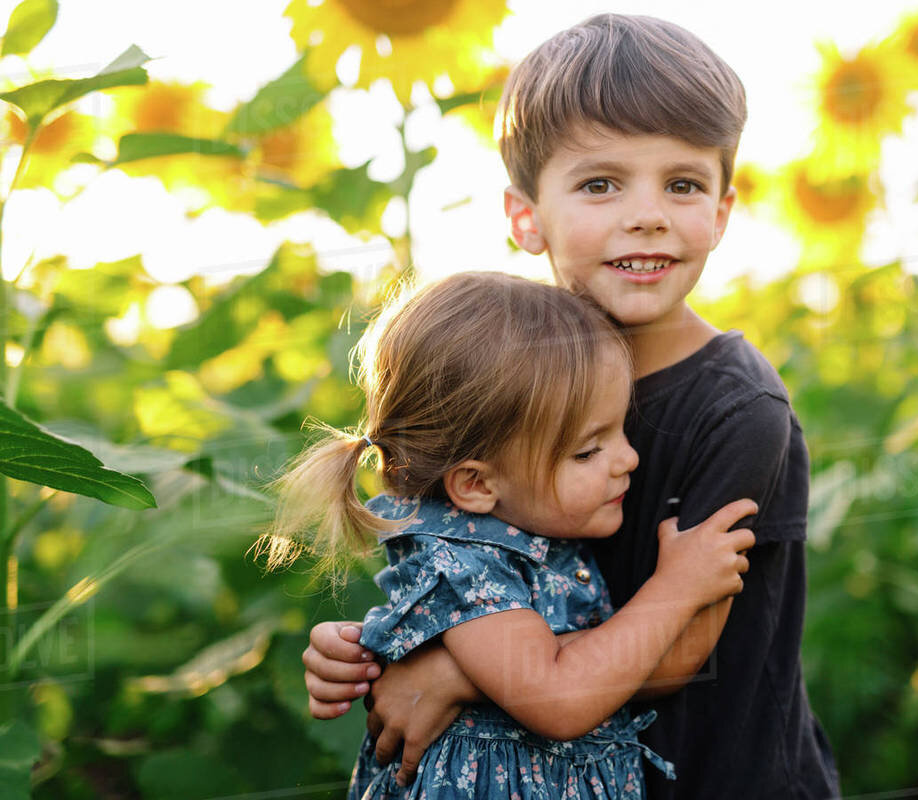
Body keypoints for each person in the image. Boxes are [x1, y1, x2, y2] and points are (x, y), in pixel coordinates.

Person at [303, 14, 842, 799]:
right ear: (526, 217)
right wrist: (377, 648)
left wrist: (453, 669)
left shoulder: (737, 407)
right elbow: (460, 553)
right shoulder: (506, 372)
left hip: (713, 777)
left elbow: (678, 652)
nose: (647, 213)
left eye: (682, 183)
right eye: (600, 183)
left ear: (723, 212)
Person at [263, 271, 757, 798]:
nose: (629, 459)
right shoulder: (464, 562)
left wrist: (702, 589)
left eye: (621, 431)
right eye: (589, 451)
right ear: (476, 484)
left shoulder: (538, 526)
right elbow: (561, 699)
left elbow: (653, 668)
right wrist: (675, 589)